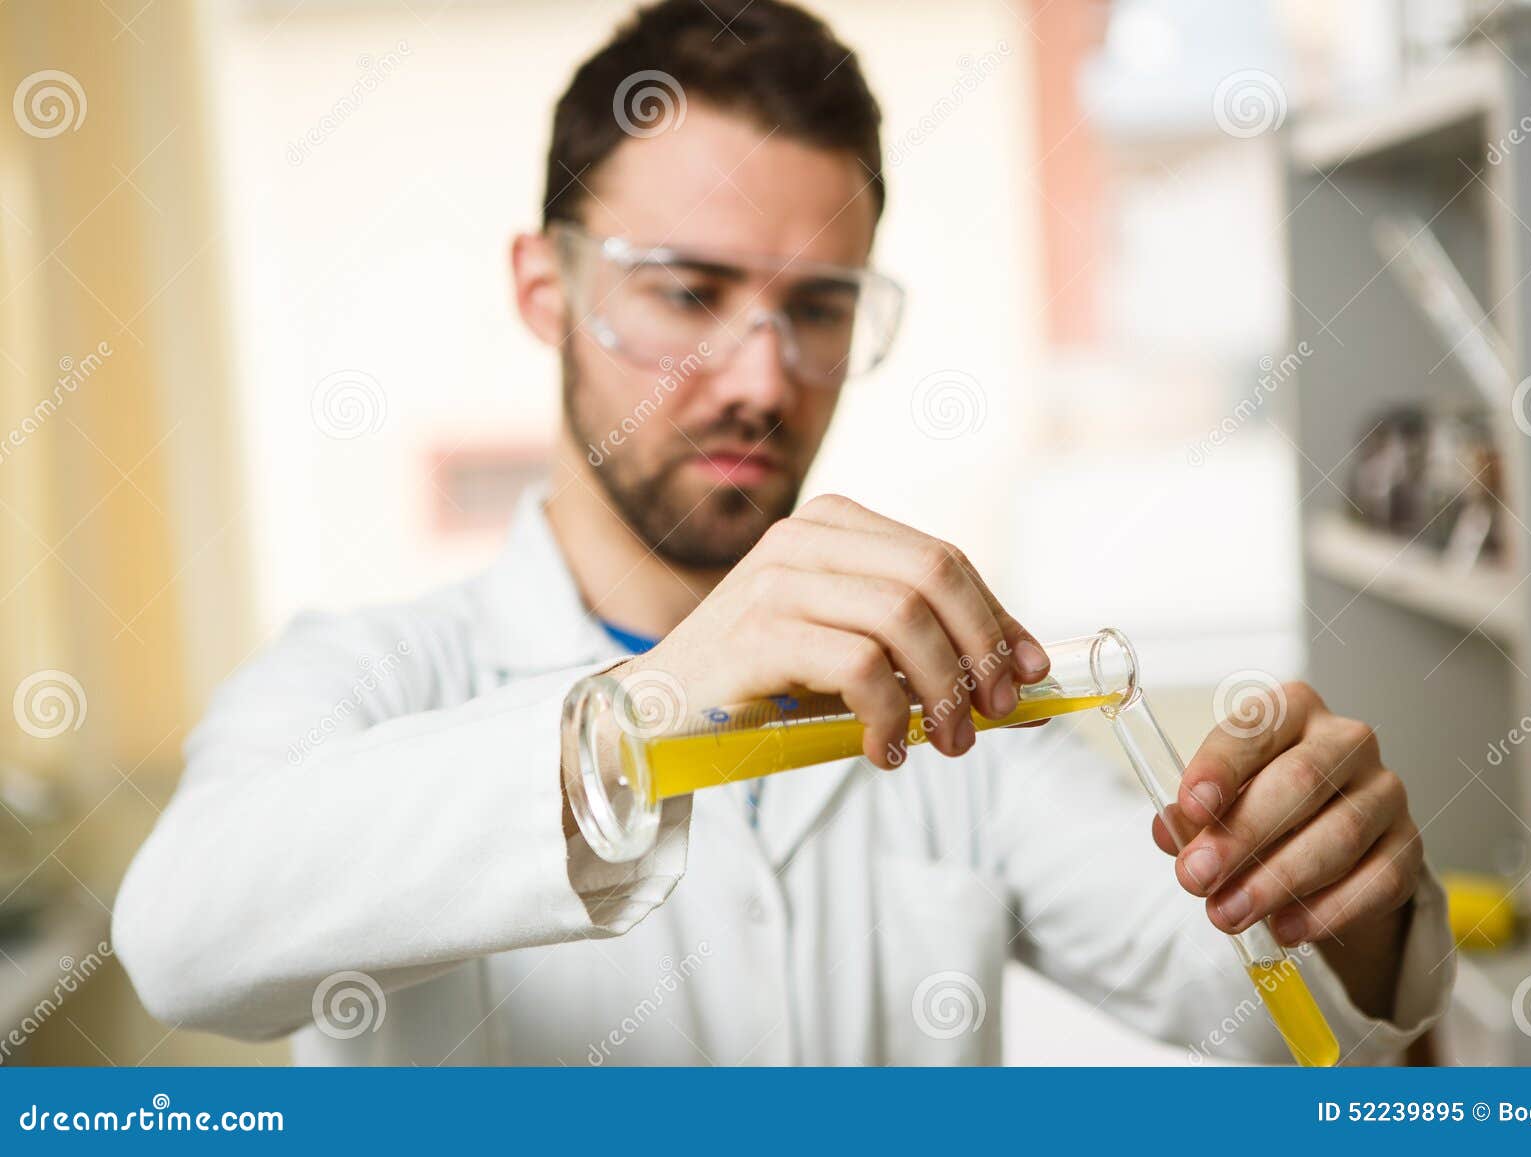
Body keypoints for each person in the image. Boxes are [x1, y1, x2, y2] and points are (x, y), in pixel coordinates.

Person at [113, 0, 1454, 1065]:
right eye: (691, 291)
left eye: (817, 306)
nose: (763, 375)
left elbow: (1284, 1023)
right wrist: (644, 710)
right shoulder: (368, 678)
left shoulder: (951, 726)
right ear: (545, 288)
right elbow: (181, 935)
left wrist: (1350, 898)